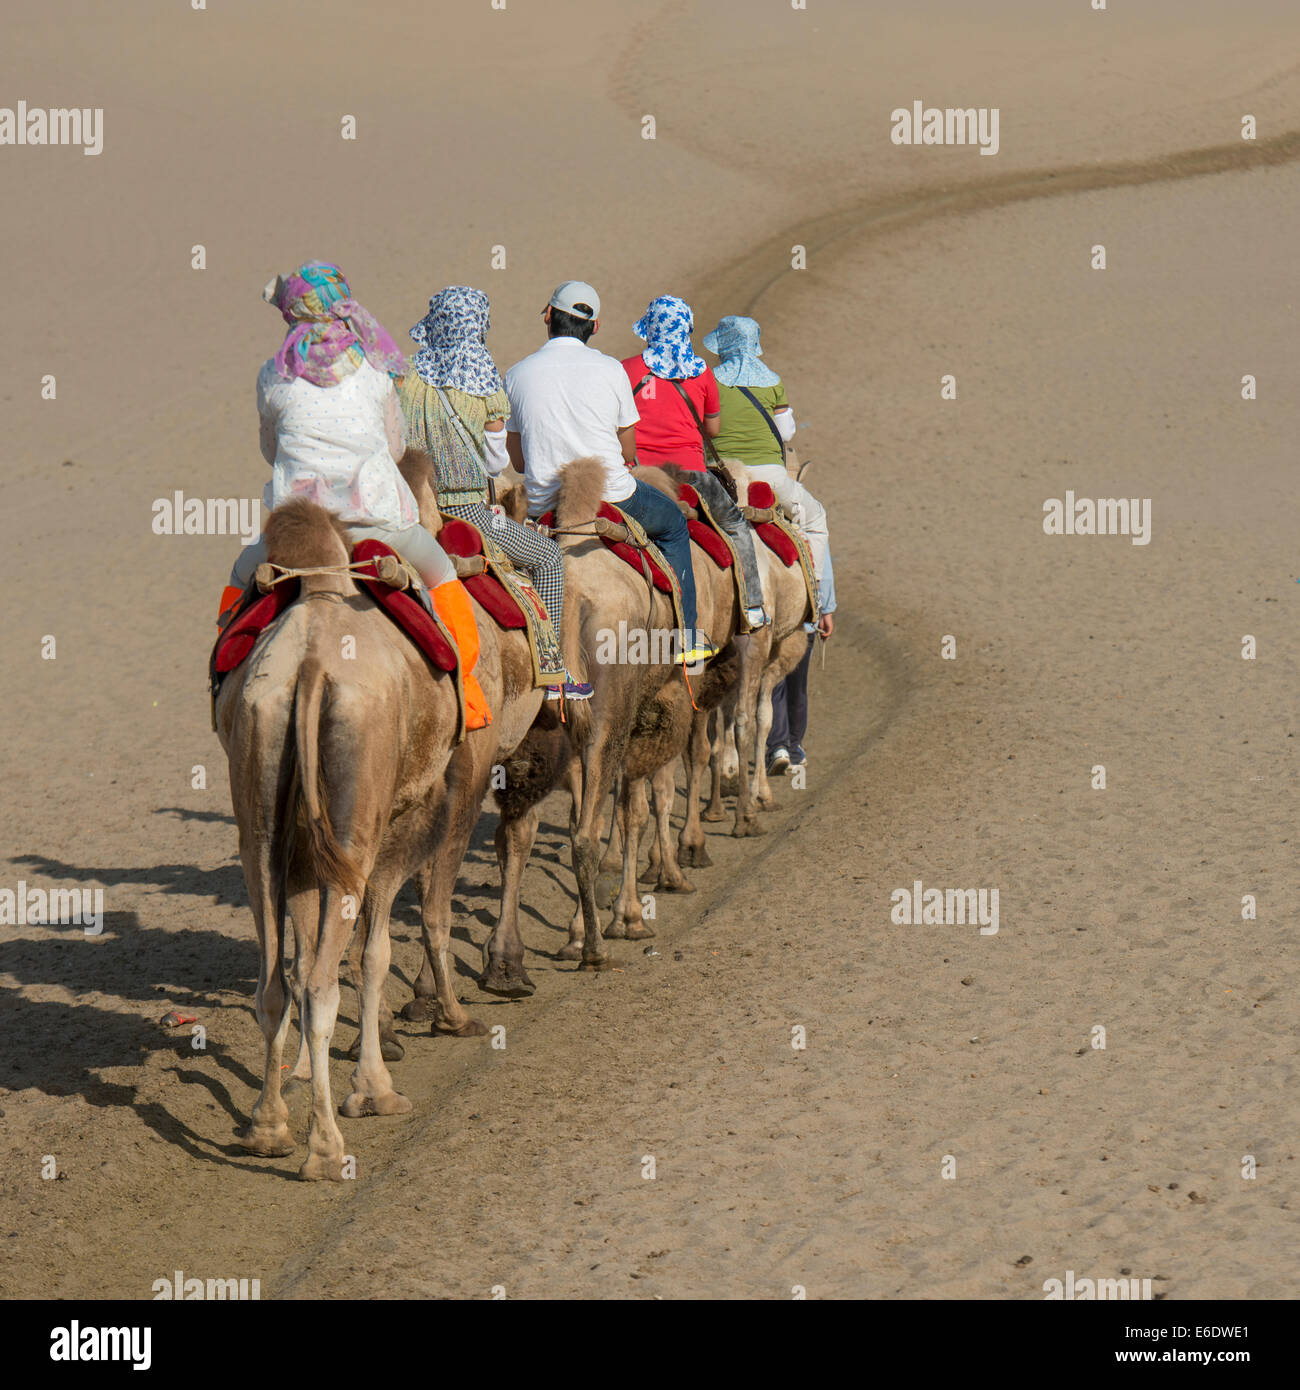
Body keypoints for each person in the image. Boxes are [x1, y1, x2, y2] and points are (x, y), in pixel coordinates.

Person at [222, 260, 489, 727]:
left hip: (300, 532)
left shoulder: (273, 375)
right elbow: (395, 448)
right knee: (442, 573)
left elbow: (270, 449)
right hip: (377, 522)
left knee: (239, 578)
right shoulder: (374, 371)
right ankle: (467, 690)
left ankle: (221, 686)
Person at [504, 281, 716, 666]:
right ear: (595, 327)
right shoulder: (610, 369)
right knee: (672, 524)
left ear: (549, 315)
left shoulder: (517, 374)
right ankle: (687, 636)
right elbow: (628, 451)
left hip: (544, 505)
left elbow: (517, 464)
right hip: (614, 495)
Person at [398, 285, 591, 701]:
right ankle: (553, 669)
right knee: (549, 557)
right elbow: (495, 465)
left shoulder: (404, 375)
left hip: (409, 511)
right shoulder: (483, 378)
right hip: (466, 511)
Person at [620, 295, 768, 630]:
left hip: (639, 475)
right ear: (686, 329)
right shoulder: (702, 374)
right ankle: (753, 606)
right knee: (736, 527)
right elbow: (712, 429)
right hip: (691, 477)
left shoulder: (627, 369)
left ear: (649, 329)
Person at [702, 315, 829, 581]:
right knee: (815, 520)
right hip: (769, 477)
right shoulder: (773, 381)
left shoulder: (707, 380)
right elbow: (785, 433)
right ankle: (817, 599)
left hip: (720, 479)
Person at [768, 548, 836, 774]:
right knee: (797, 686)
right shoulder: (811, 526)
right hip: (805, 620)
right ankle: (794, 747)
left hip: (774, 622)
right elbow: (822, 569)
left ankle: (779, 747)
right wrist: (826, 611)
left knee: (774, 684)